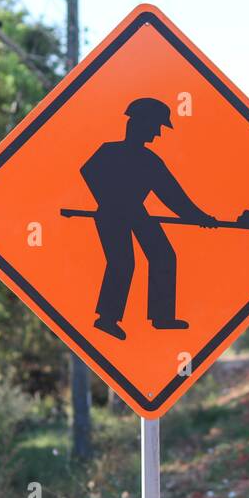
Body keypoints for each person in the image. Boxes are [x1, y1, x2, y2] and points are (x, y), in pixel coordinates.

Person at [80, 97, 217, 340]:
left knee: (163, 254)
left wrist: (200, 217)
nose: (157, 134)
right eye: (155, 127)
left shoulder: (150, 161)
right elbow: (88, 171)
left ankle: (162, 317)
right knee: (122, 262)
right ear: (139, 124)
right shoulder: (109, 150)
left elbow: (173, 196)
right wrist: (109, 199)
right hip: (111, 213)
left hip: (136, 211)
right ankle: (107, 319)